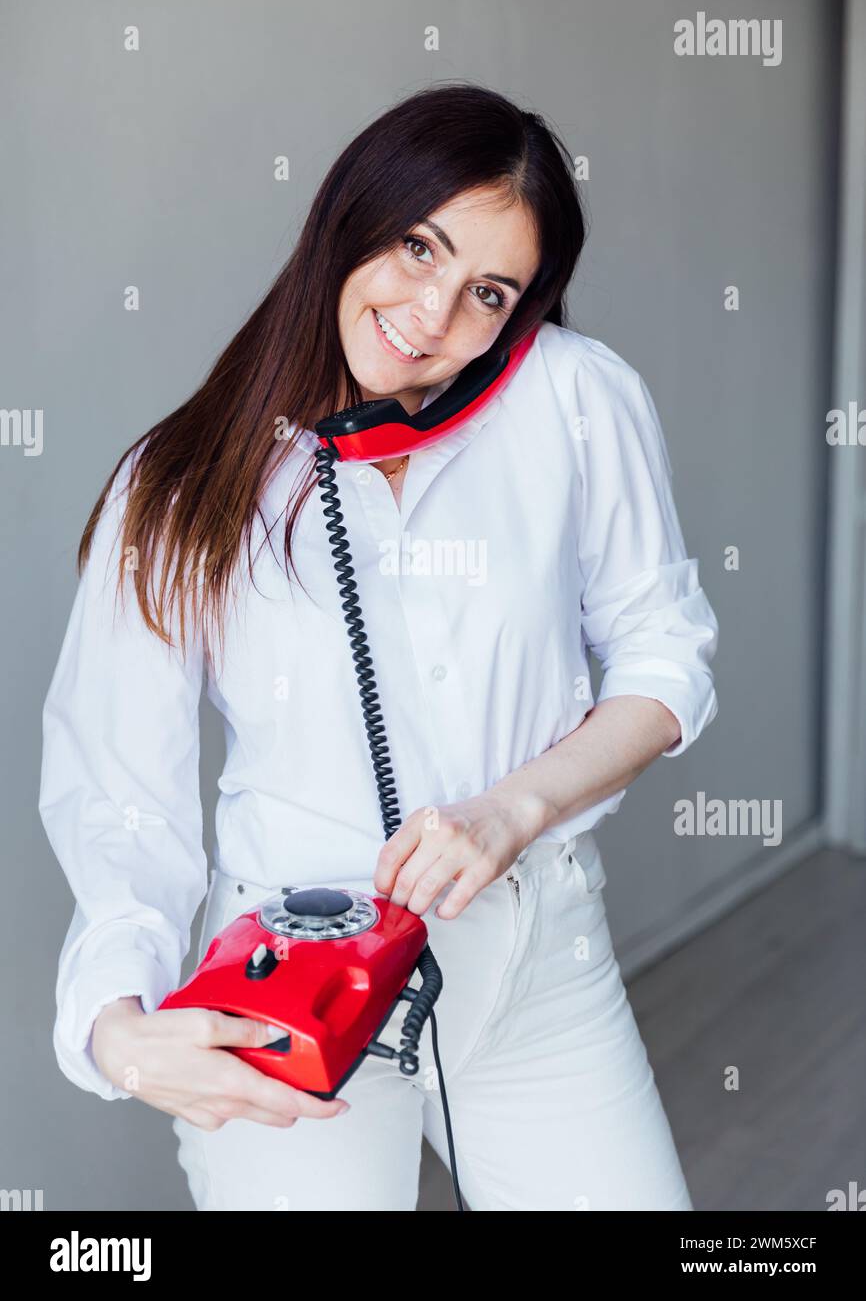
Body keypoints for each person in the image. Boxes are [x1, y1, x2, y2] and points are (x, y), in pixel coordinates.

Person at [39, 81, 719, 1211]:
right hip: (293, 977)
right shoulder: (170, 488)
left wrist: (514, 809)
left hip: (537, 958)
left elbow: (664, 658)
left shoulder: (575, 400)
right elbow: (119, 803)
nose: (431, 314)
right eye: (416, 246)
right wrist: (116, 1029)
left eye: (485, 290)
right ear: (350, 215)